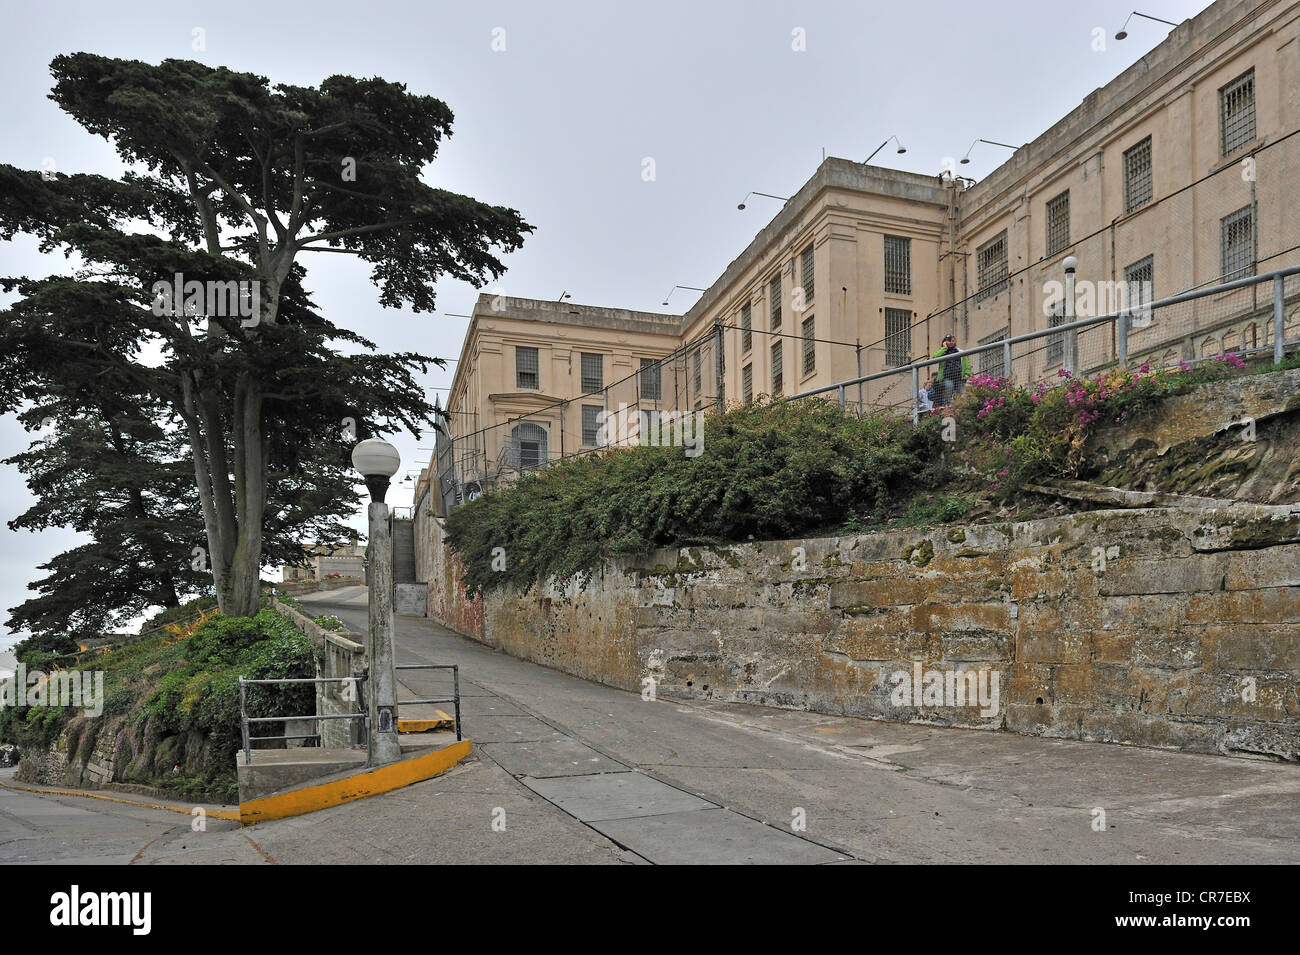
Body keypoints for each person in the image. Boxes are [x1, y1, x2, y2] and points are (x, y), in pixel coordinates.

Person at [933, 334, 971, 403]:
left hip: (959, 377)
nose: (951, 342)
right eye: (949, 341)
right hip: (947, 377)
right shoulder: (943, 351)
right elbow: (935, 357)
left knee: (960, 394)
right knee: (949, 390)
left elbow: (967, 363)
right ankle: (948, 407)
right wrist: (944, 348)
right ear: (945, 342)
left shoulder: (960, 351)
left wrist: (967, 373)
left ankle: (958, 408)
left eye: (952, 341)